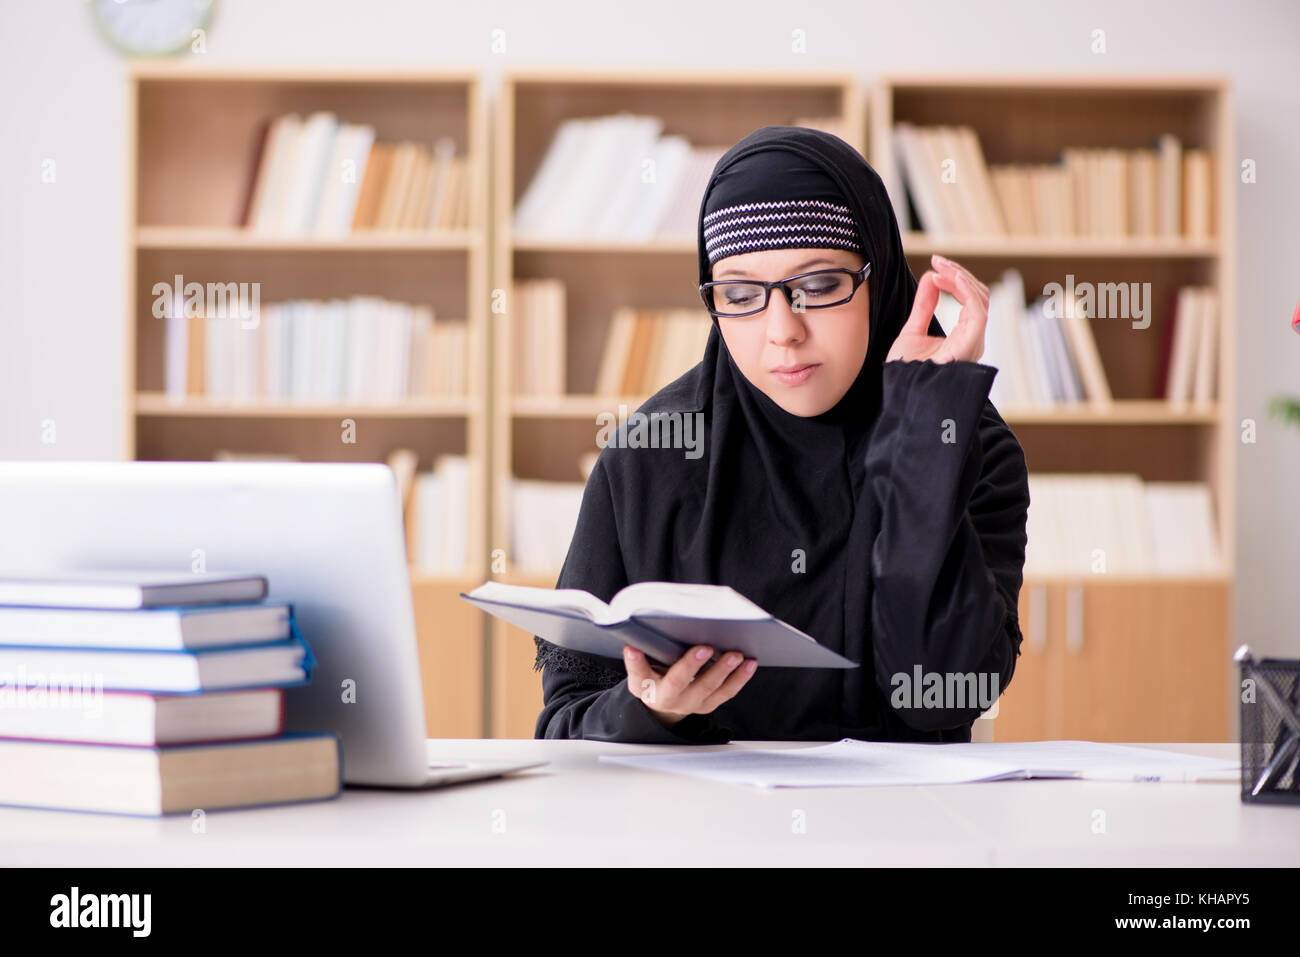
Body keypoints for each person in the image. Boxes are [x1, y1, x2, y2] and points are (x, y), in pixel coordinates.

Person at [532, 125, 1030, 744]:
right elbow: (565, 725)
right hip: (695, 809)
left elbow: (941, 694)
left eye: (818, 286)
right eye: (740, 294)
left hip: (904, 807)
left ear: (877, 279)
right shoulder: (648, 457)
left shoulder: (965, 442)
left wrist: (922, 435)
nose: (782, 330)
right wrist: (653, 710)